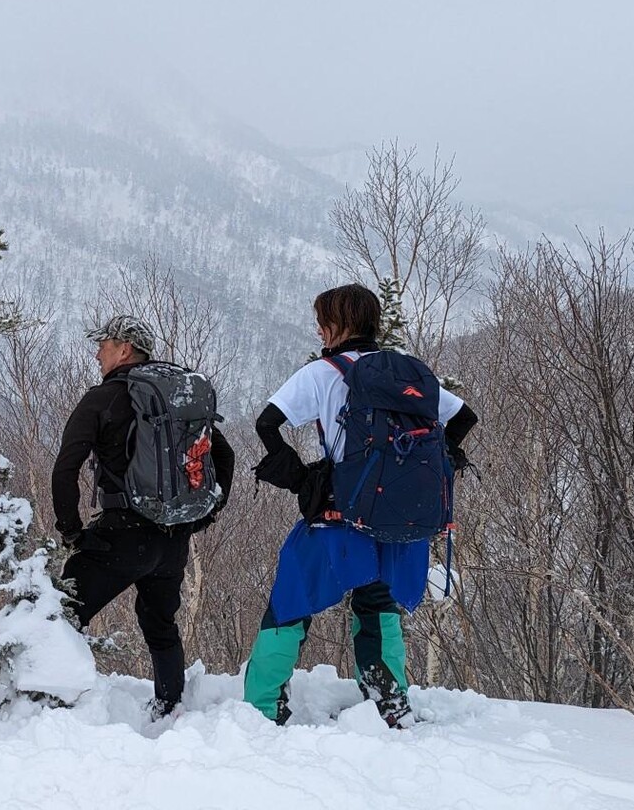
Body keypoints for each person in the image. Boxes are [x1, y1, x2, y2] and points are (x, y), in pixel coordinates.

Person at [242, 283, 477, 726]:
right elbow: (465, 417)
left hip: (337, 516)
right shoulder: (409, 374)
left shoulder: (322, 372)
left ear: (339, 324)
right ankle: (389, 703)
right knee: (379, 608)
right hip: (397, 520)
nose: (318, 330)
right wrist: (441, 458)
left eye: (322, 321)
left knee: (290, 602)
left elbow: (267, 422)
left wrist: (299, 474)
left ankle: (261, 709)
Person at [51, 314, 235, 719]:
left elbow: (65, 468)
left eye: (104, 345)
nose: (97, 353)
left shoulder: (101, 399)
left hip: (119, 535)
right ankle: (169, 709)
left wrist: (73, 532)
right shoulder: (174, 399)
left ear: (124, 349)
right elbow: (224, 455)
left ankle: (46, 713)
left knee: (59, 616)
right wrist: (205, 514)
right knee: (160, 625)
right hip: (172, 539)